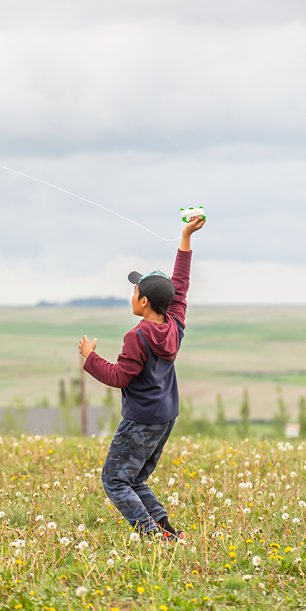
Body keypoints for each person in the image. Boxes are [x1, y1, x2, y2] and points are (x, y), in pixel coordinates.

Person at [78, 215, 206, 538]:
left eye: (135, 291)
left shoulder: (137, 337)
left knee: (114, 480)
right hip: (165, 418)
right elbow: (181, 285)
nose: (132, 295)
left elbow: (119, 376)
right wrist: (186, 237)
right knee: (134, 478)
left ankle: (151, 536)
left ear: (144, 302)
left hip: (141, 420)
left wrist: (90, 357)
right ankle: (167, 532)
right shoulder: (175, 324)